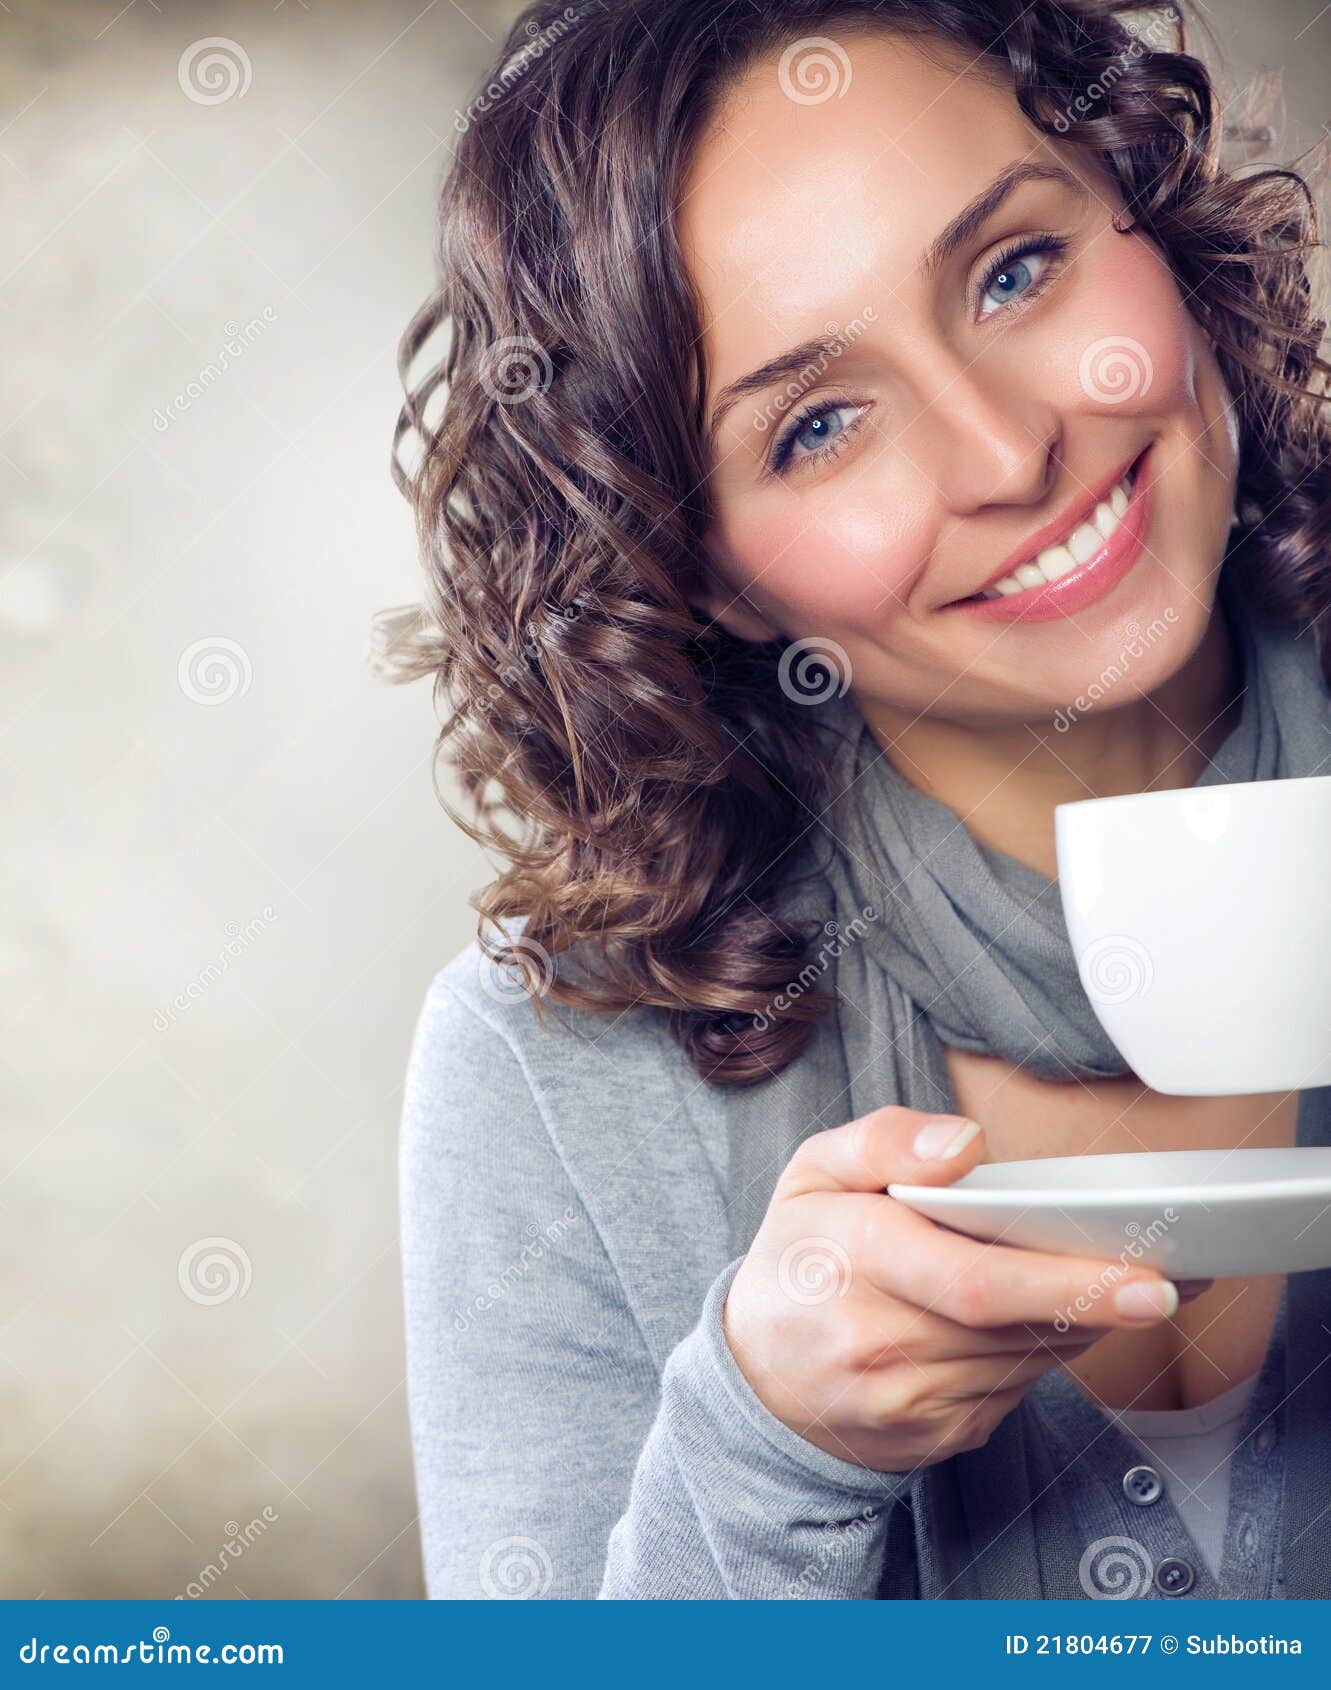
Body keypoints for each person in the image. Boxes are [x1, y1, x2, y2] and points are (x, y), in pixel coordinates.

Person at [375, 0, 1331, 1599]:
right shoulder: (551, 1075)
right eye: (818, 426)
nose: (1010, 449)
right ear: (704, 569)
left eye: (1016, 272)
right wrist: (766, 1446)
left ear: (1148, 216)